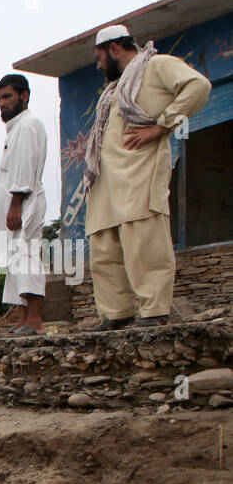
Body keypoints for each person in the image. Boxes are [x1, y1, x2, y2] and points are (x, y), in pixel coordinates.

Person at [83, 25, 210, 331]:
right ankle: (117, 313)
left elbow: (199, 86)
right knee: (103, 245)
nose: (99, 65)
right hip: (105, 179)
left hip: (140, 170)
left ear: (114, 48)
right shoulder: (115, 87)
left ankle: (154, 311)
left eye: (100, 57)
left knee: (144, 240)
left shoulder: (156, 65)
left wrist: (161, 126)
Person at [0, 74, 48, 335]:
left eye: (7, 97)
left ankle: (35, 321)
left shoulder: (28, 125)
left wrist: (16, 204)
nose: (2, 103)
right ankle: (22, 320)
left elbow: (24, 170)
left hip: (24, 203)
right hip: (13, 207)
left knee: (26, 257)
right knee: (15, 260)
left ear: (24, 96)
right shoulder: (15, 129)